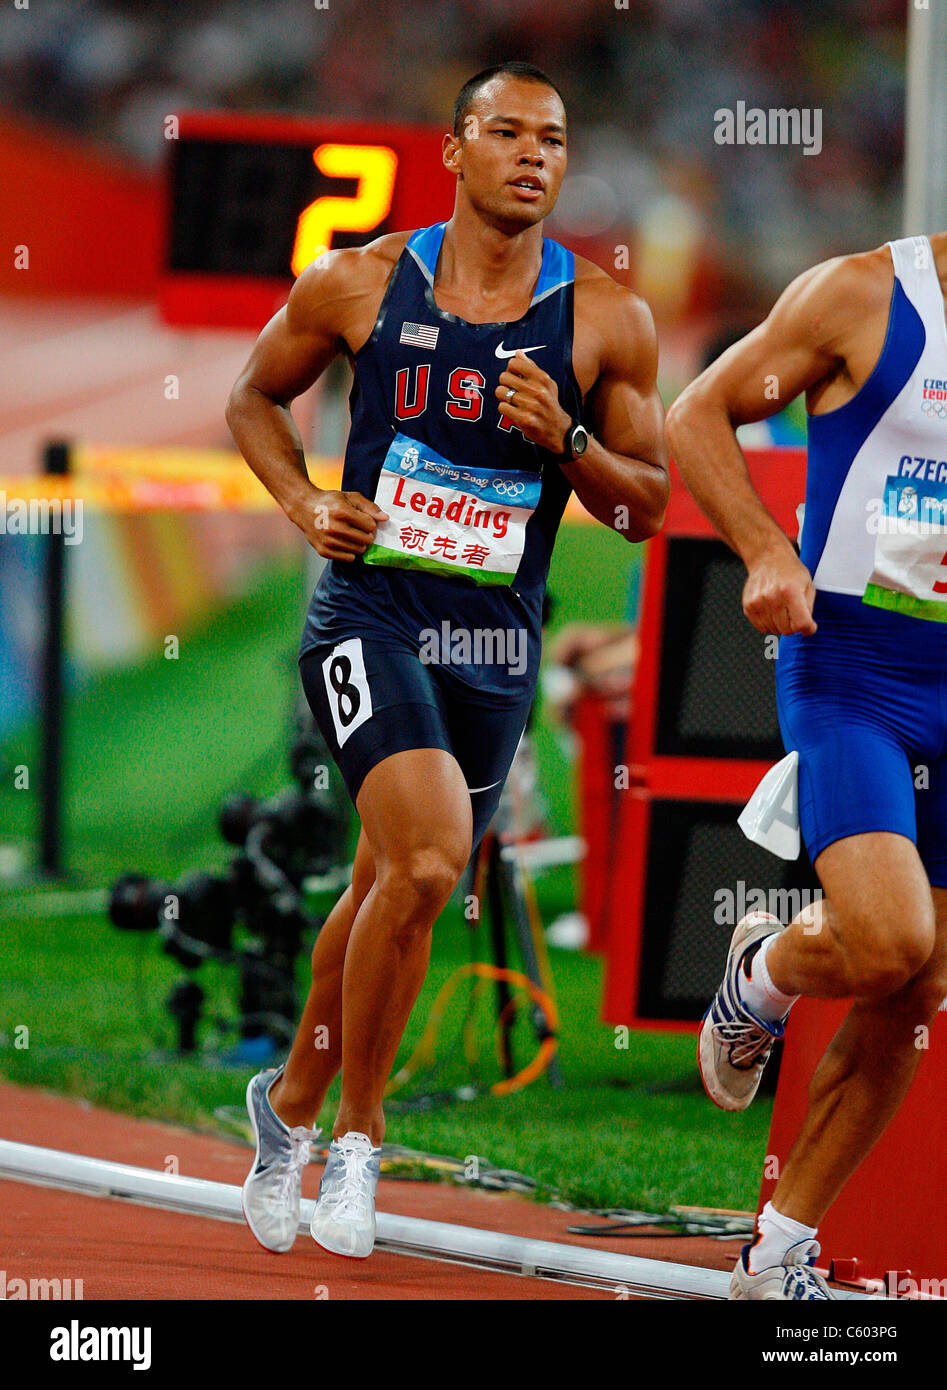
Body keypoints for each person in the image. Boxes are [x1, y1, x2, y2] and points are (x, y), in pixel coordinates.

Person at [226, 60, 668, 1260]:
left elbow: (646, 508)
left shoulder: (606, 321)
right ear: (454, 150)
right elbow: (253, 399)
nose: (535, 155)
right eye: (509, 132)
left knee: (384, 884)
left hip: (491, 643)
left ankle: (288, 1107)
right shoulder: (360, 281)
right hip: (367, 618)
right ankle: (359, 1142)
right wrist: (306, 504)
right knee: (425, 867)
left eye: (555, 140)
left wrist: (565, 438)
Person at [666, 232, 947, 1299]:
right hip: (852, 669)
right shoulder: (861, 296)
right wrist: (764, 551)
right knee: (889, 939)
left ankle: (778, 1249)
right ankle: (765, 971)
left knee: (917, 981)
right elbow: (693, 411)